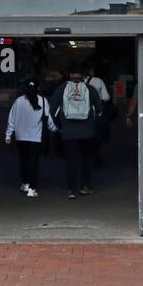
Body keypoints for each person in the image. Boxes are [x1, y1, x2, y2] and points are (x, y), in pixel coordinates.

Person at [50, 70, 100, 198]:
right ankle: (85, 186)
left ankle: (71, 190)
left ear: (70, 75)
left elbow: (52, 110)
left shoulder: (61, 89)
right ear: (83, 76)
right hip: (88, 132)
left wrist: (59, 127)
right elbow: (99, 110)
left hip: (68, 132)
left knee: (71, 161)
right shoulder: (90, 89)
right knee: (86, 160)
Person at [5, 80, 56, 198]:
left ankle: (25, 183)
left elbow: (11, 118)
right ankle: (32, 189)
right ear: (38, 89)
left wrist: (8, 134)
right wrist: (55, 129)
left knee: (23, 160)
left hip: (20, 137)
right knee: (33, 162)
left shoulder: (18, 101)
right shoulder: (43, 100)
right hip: (35, 137)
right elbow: (48, 119)